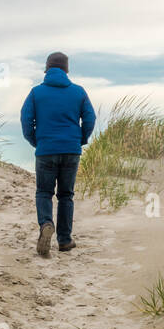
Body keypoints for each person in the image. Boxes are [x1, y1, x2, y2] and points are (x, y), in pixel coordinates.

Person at [19, 52, 96, 256]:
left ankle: (46, 224)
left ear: (47, 69)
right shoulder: (78, 92)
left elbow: (26, 122)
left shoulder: (36, 93)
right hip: (71, 150)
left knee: (44, 192)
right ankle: (64, 240)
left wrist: (36, 141)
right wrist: (80, 139)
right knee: (65, 195)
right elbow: (90, 119)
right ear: (66, 70)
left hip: (46, 150)